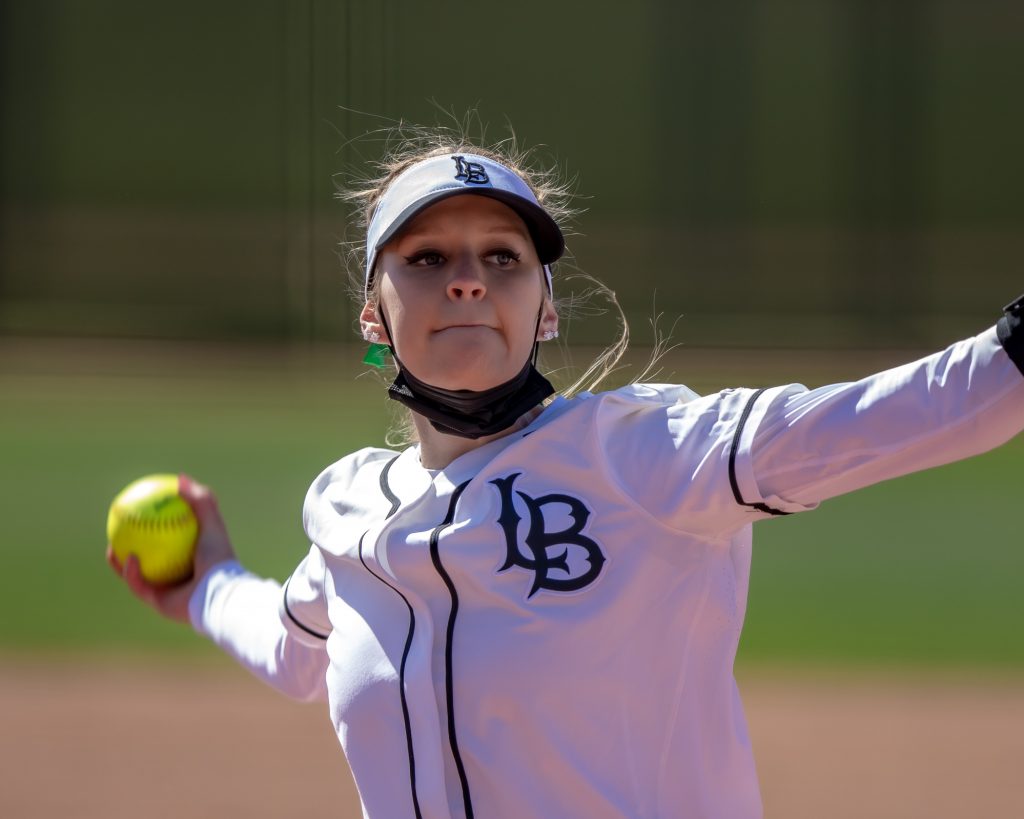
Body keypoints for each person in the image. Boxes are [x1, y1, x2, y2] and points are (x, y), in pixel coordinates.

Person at [108, 137, 1024, 819]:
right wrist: (207, 585)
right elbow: (292, 647)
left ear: (544, 309)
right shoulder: (346, 505)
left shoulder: (646, 455)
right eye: (426, 259)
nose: (467, 280)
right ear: (373, 316)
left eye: (502, 258)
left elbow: (933, 409)